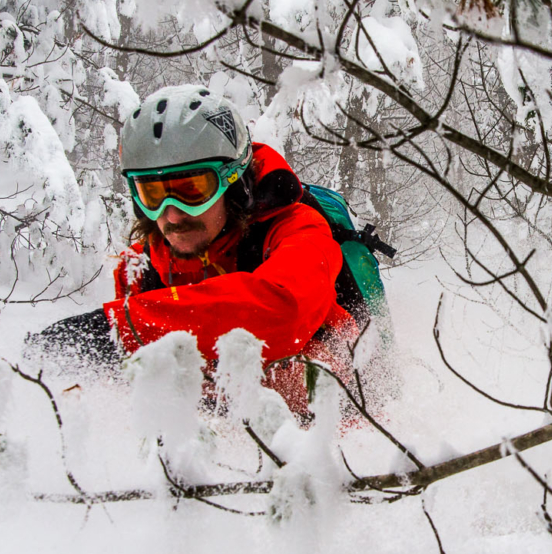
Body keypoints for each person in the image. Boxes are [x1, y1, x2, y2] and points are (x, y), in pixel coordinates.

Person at [28, 85, 357, 413]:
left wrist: (123, 326)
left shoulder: (299, 229)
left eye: (192, 190)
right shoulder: (142, 269)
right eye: (153, 194)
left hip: (334, 435)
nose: (171, 214)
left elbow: (285, 307)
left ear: (235, 183)